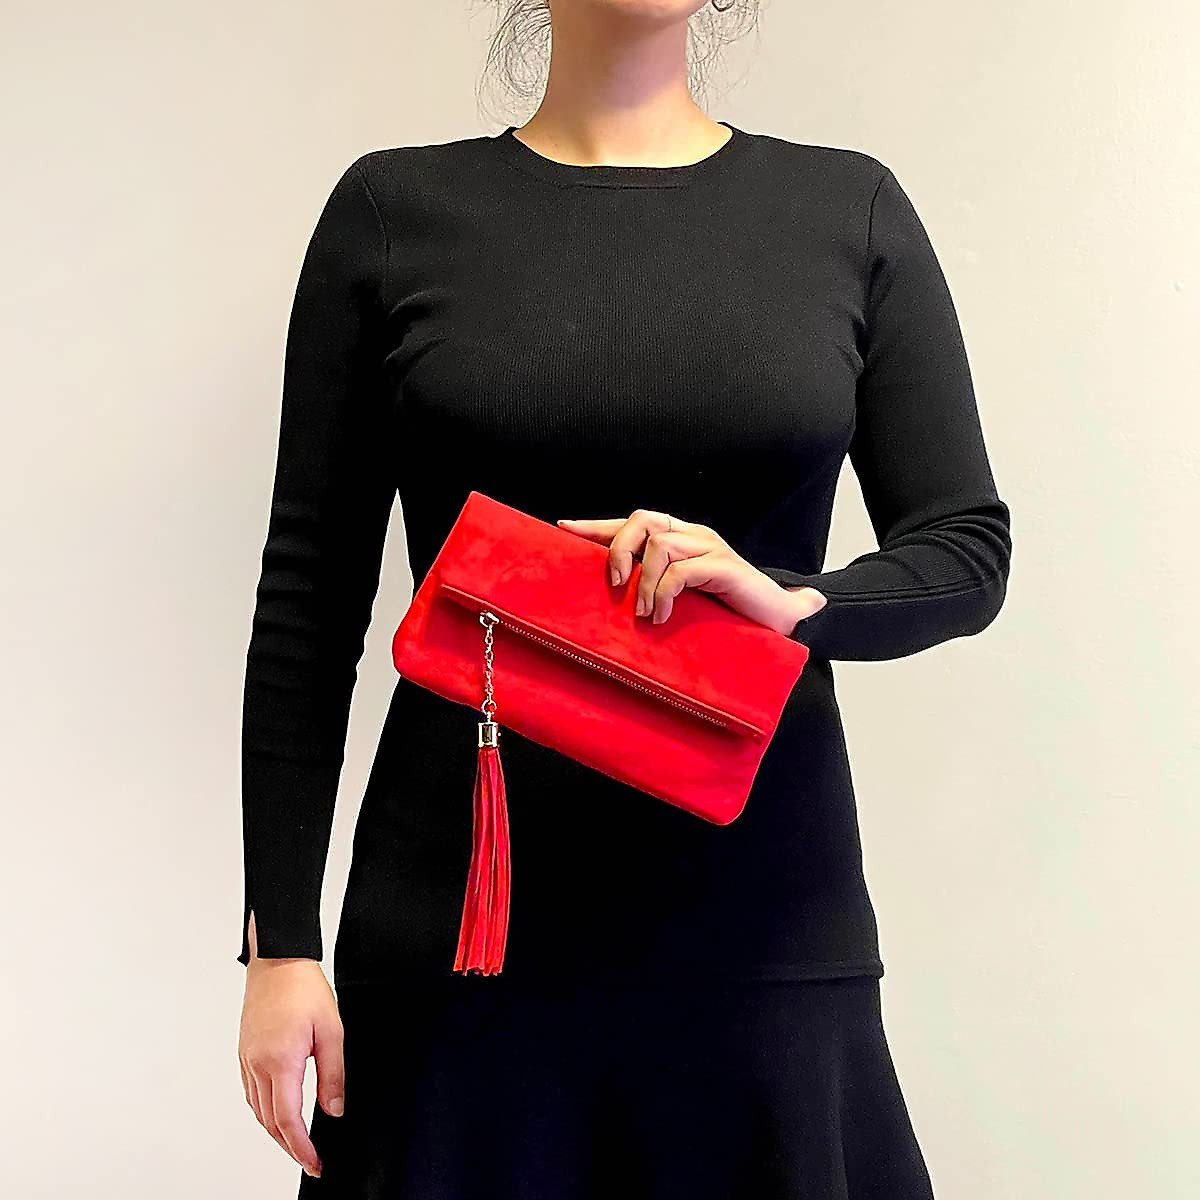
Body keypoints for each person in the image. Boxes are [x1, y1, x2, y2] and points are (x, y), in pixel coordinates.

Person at [235, 3, 1012, 1196]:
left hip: (761, 927)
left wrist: (787, 596)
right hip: (462, 935)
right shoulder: (394, 213)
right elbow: (310, 599)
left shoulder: (845, 211)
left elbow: (965, 550)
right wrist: (279, 947)